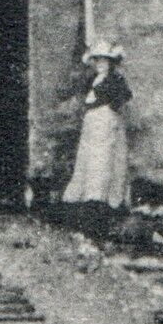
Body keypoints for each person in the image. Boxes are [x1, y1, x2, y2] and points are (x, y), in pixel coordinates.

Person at [61, 41, 132, 211]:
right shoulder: (92, 79)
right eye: (98, 60)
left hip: (106, 122)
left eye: (105, 61)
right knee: (90, 156)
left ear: (111, 62)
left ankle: (101, 198)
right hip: (92, 123)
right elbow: (86, 99)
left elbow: (125, 96)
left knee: (104, 157)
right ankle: (86, 197)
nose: (101, 64)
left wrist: (111, 108)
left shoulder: (115, 79)